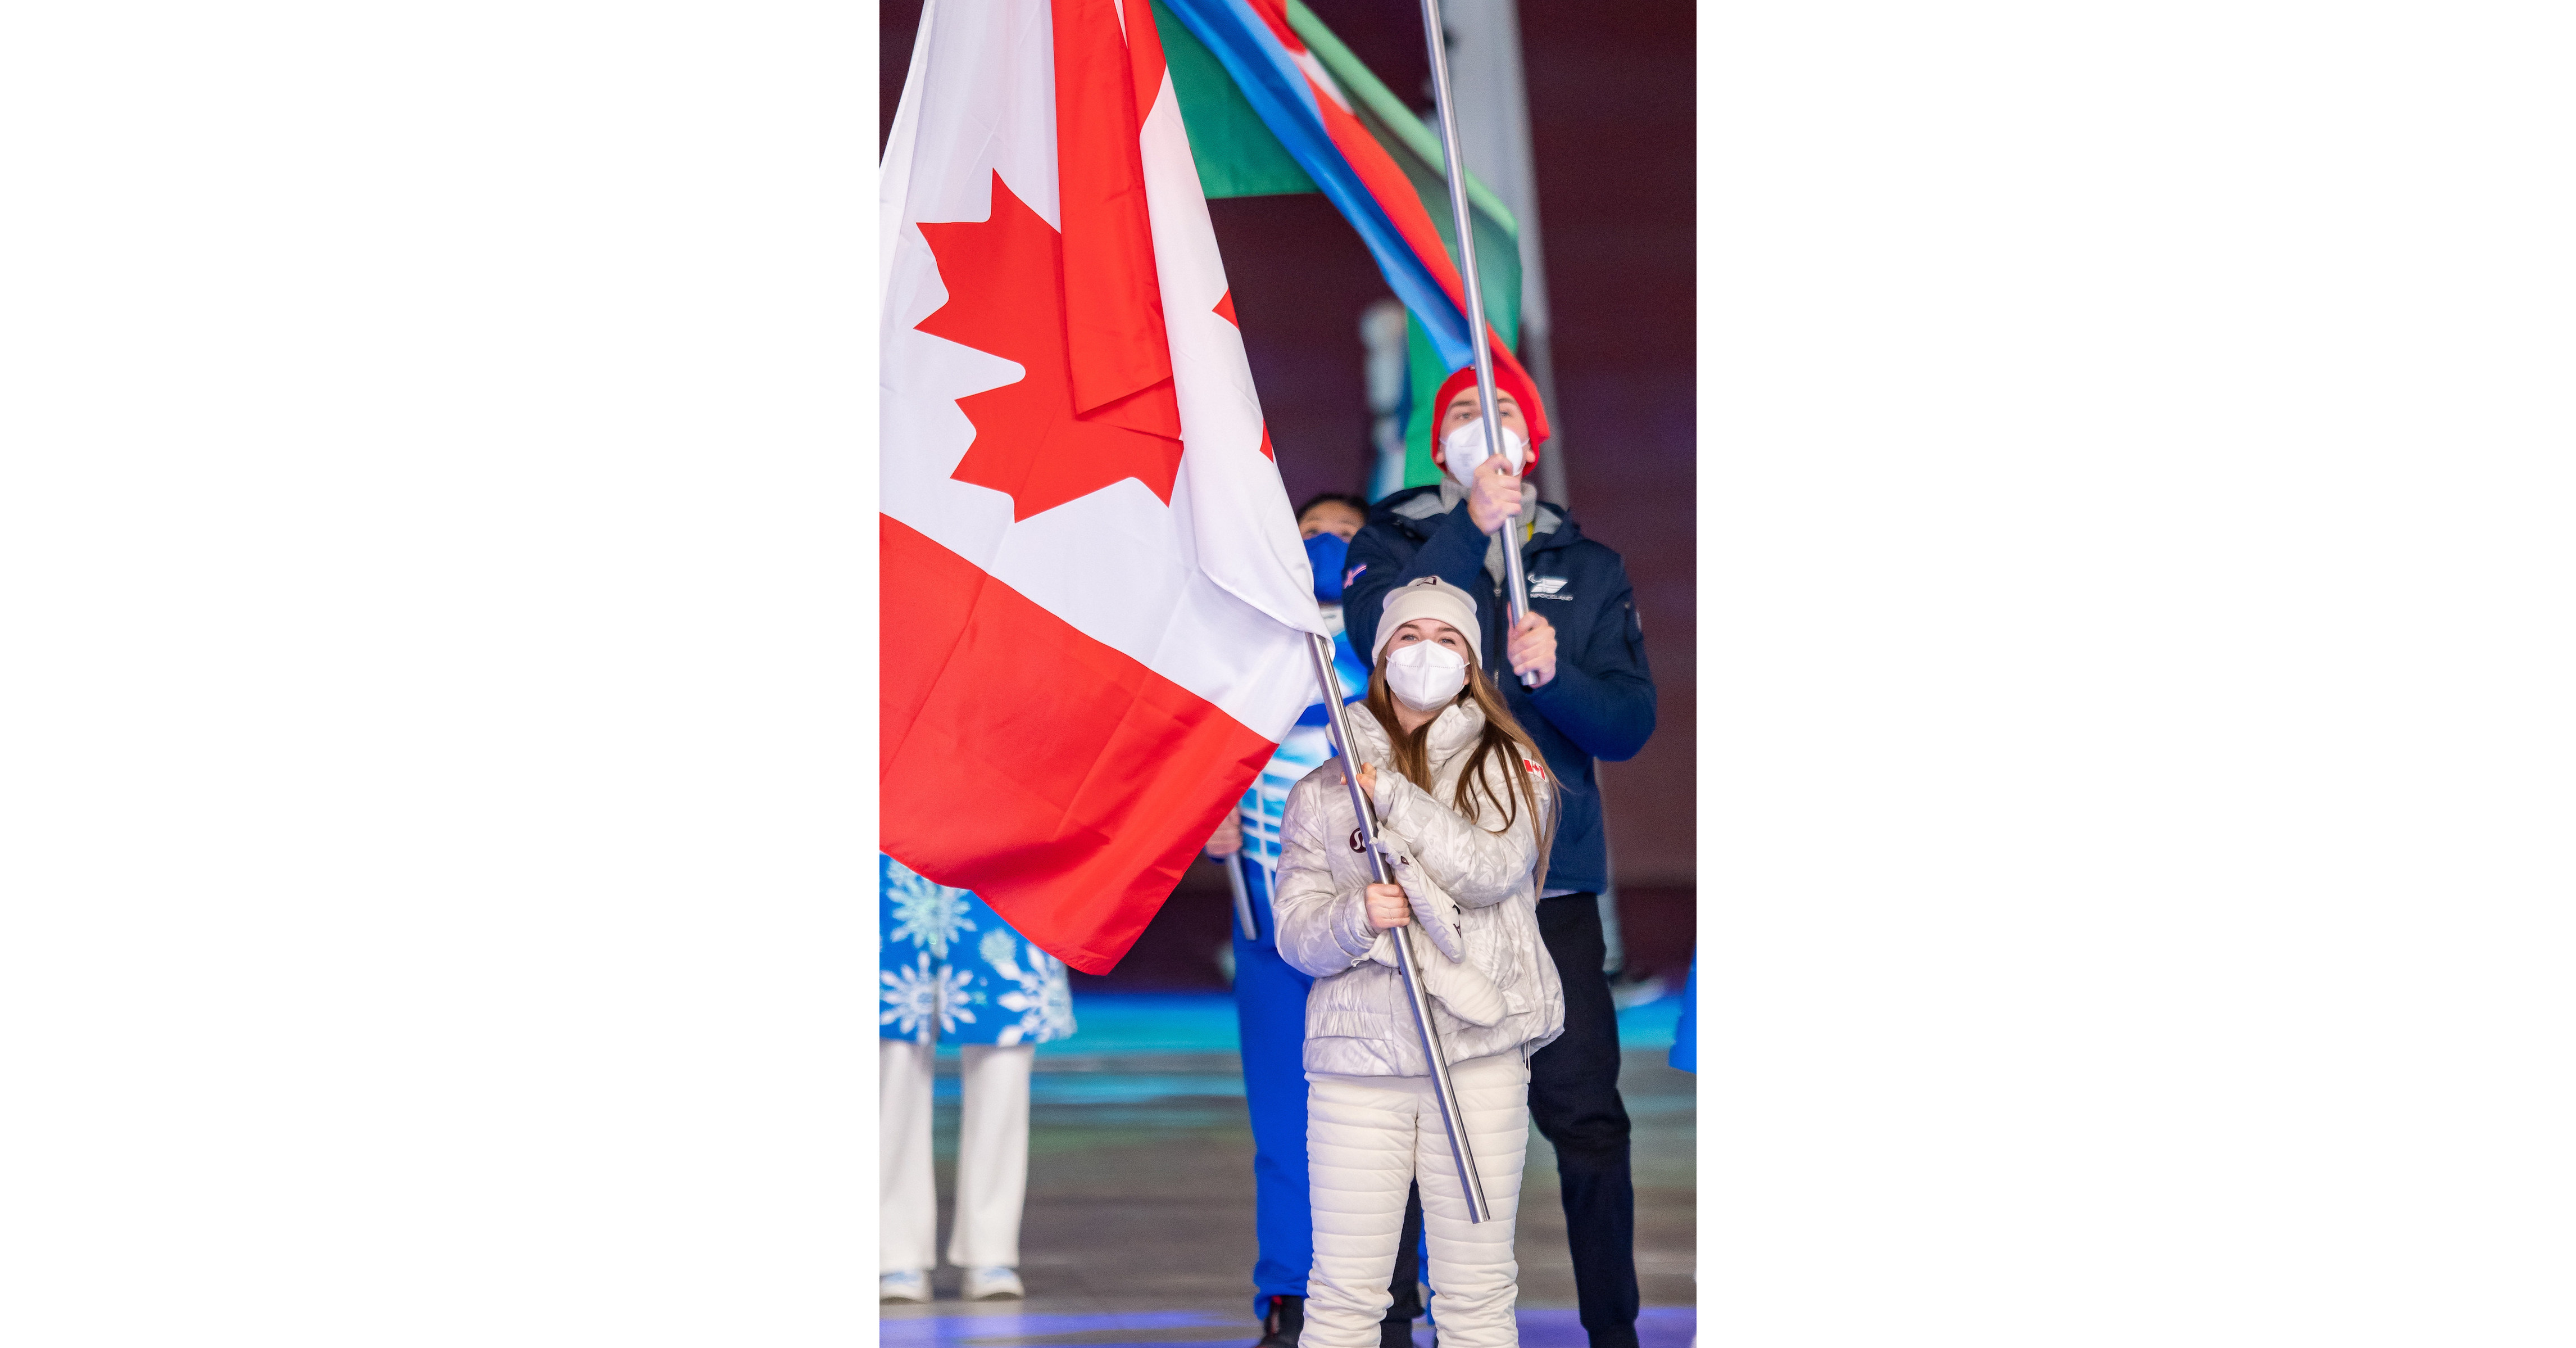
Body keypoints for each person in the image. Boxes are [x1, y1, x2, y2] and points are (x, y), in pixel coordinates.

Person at [1341, 367, 1657, 1348]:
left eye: (1507, 416)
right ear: (1441, 448)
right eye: (1469, 418)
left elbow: (1626, 723)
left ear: (1536, 441)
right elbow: (1374, 634)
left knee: (1585, 1117)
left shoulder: (1588, 564)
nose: (1489, 432)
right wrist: (1467, 529)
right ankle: (1391, 1323)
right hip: (1424, 892)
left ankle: (1614, 1329)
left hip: (1547, 888)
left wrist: (1552, 675)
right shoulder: (1392, 541)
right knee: (1402, 1110)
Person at [1272, 576, 1566, 1348]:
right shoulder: (1319, 790)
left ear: (1471, 660)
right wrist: (1355, 919)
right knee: (1343, 1297)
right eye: (1408, 637)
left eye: (1447, 638)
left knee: (1474, 1294)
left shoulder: (1511, 766)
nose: (1425, 652)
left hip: (1475, 1059)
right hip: (1355, 1067)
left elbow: (1491, 869)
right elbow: (1296, 932)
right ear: (1378, 657)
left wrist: (1394, 796)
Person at [1205, 490, 1414, 1348]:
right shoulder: (1245, 645)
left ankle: (1398, 1296)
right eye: (1309, 534)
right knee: (1285, 1121)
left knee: (1397, 1119)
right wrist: (1206, 813)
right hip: (1275, 918)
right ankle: (1290, 1295)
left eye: (1341, 534)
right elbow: (1207, 750)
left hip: (1379, 921)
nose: (1325, 546)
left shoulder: (1402, 645)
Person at [878, 854, 1078, 1304]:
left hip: (1002, 843)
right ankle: (894, 1252)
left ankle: (991, 1248)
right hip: (887, 838)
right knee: (890, 1047)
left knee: (1002, 1046)